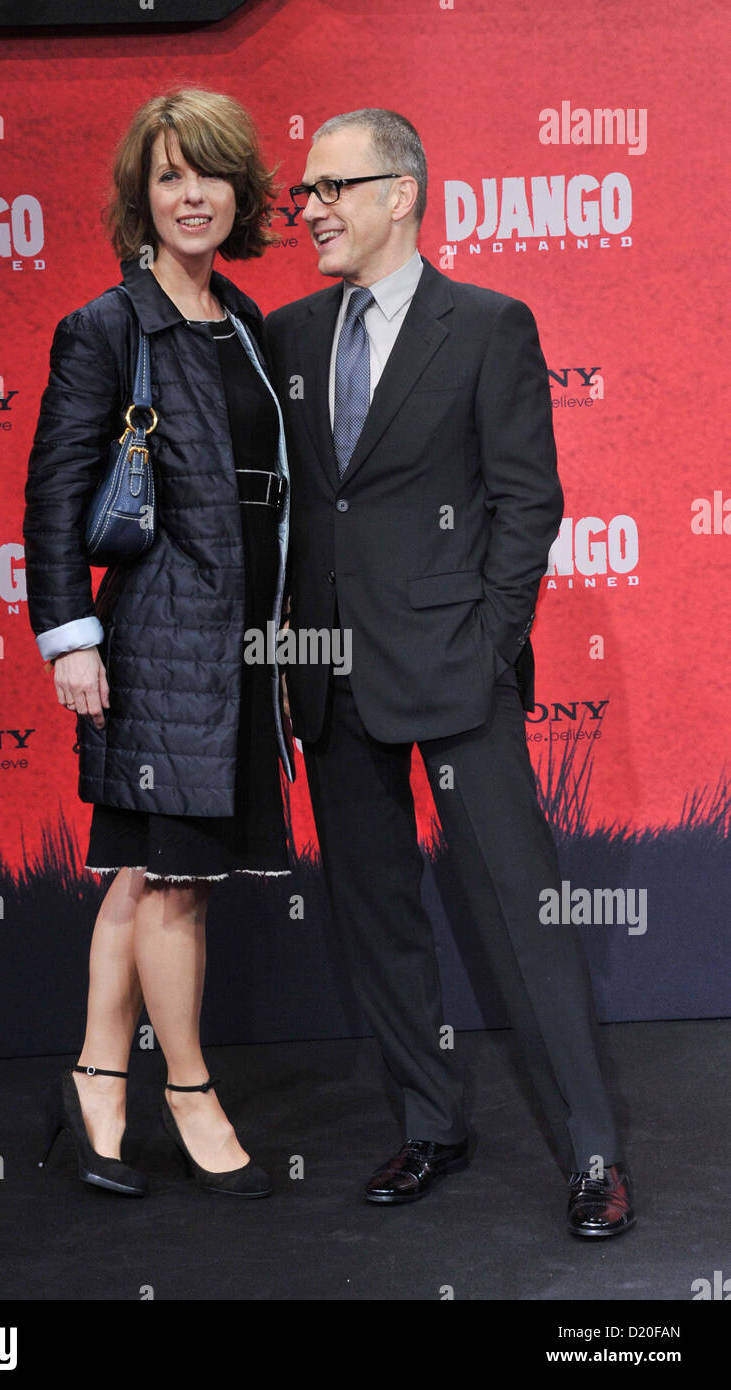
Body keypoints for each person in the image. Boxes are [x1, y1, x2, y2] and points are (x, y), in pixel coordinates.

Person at [263, 108, 635, 1237]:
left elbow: (528, 500)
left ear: (401, 193)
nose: (313, 208)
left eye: (334, 186)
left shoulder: (485, 326)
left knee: (521, 911)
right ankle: (430, 1126)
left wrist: (487, 646)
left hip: (455, 668)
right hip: (328, 675)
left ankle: (592, 1153)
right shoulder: (285, 334)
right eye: (304, 192)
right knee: (376, 919)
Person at [22, 87, 294, 1200]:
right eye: (170, 175)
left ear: (242, 194)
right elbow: (52, 495)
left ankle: (94, 1081)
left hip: (240, 648)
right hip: (153, 643)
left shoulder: (247, 321)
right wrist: (67, 637)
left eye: (211, 174)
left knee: (146, 874)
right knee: (174, 880)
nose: (191, 194)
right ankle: (186, 1089)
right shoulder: (105, 326)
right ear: (142, 195)